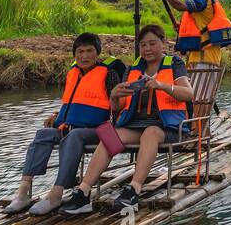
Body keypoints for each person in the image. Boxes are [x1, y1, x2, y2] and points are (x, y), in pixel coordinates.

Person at [61, 25, 195, 215]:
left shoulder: (174, 63)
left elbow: (189, 94)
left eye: (152, 43)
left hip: (169, 126)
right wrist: (114, 96)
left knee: (150, 133)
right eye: (143, 45)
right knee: (110, 134)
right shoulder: (133, 68)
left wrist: (162, 85)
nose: (147, 49)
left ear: (163, 43)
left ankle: (134, 189)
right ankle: (83, 192)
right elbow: (117, 108)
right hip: (136, 125)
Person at [1, 33, 126, 215]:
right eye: (80, 51)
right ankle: (23, 192)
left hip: (97, 130)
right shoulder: (72, 73)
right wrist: (57, 115)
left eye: (89, 51)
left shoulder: (109, 74)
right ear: (74, 54)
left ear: (97, 53)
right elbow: (73, 102)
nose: (84, 56)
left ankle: (57, 193)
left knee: (74, 136)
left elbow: (117, 108)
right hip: (69, 127)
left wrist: (116, 101)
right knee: (42, 135)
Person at [152, 0, 231, 66]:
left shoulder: (202, 0)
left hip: (204, 58)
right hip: (197, 58)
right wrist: (181, 28)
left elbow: (179, 5)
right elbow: (198, 27)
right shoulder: (201, 5)